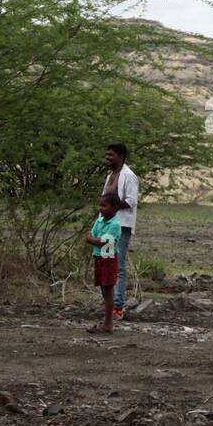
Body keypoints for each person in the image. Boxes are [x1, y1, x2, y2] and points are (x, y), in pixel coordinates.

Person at [102, 142, 139, 320]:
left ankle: (117, 305)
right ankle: (109, 302)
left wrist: (113, 207)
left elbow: (131, 201)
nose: (108, 158)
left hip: (121, 225)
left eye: (111, 155)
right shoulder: (110, 176)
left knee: (119, 264)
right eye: (107, 155)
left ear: (121, 156)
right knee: (107, 261)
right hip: (107, 225)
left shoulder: (129, 176)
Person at [85, 193, 122, 333]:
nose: (101, 208)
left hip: (108, 260)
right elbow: (95, 237)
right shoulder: (99, 221)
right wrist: (95, 240)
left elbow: (101, 241)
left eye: (104, 205)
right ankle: (107, 322)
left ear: (115, 208)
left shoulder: (115, 225)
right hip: (99, 258)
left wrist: (92, 240)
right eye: (100, 205)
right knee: (104, 291)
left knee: (108, 291)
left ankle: (108, 323)